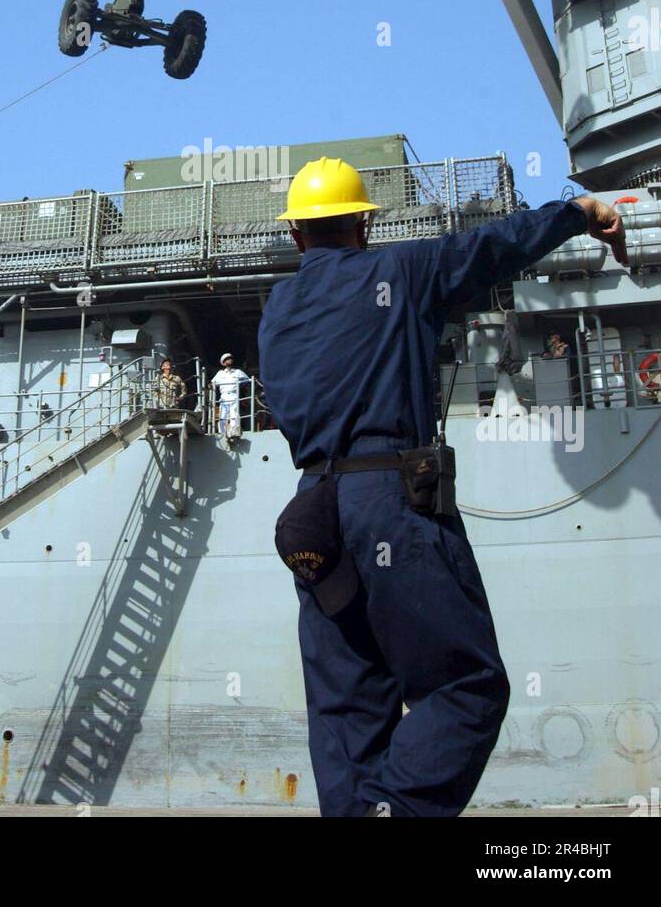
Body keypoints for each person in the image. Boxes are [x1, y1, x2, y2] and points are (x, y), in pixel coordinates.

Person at [257, 155, 627, 819]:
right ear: (364, 227)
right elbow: (491, 246)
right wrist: (577, 212)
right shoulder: (398, 270)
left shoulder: (277, 306)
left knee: (349, 707)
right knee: (467, 684)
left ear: (296, 236)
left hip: (313, 513)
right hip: (387, 500)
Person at [211, 352, 249, 443]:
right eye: (227, 359)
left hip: (233, 395)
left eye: (230, 358)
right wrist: (210, 386)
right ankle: (222, 434)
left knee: (234, 415)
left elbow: (247, 380)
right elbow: (212, 383)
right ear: (224, 363)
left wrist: (239, 385)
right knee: (222, 416)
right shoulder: (220, 374)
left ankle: (234, 433)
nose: (230, 360)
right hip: (224, 397)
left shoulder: (238, 372)